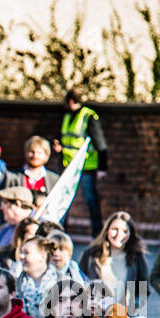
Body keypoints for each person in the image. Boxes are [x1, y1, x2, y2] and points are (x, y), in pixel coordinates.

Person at [55, 89, 109, 238]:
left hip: (86, 166)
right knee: (64, 199)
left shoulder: (88, 116)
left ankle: (97, 234)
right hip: (68, 165)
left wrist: (102, 168)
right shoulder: (67, 116)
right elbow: (67, 140)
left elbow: (100, 144)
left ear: (71, 101)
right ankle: (60, 231)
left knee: (91, 200)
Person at [79, 211, 148, 316]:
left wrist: (134, 307)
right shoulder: (90, 254)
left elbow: (143, 288)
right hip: (96, 316)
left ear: (130, 233)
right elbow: (79, 282)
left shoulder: (136, 257)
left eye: (125, 231)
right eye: (114, 229)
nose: (119, 235)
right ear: (107, 231)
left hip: (124, 317)